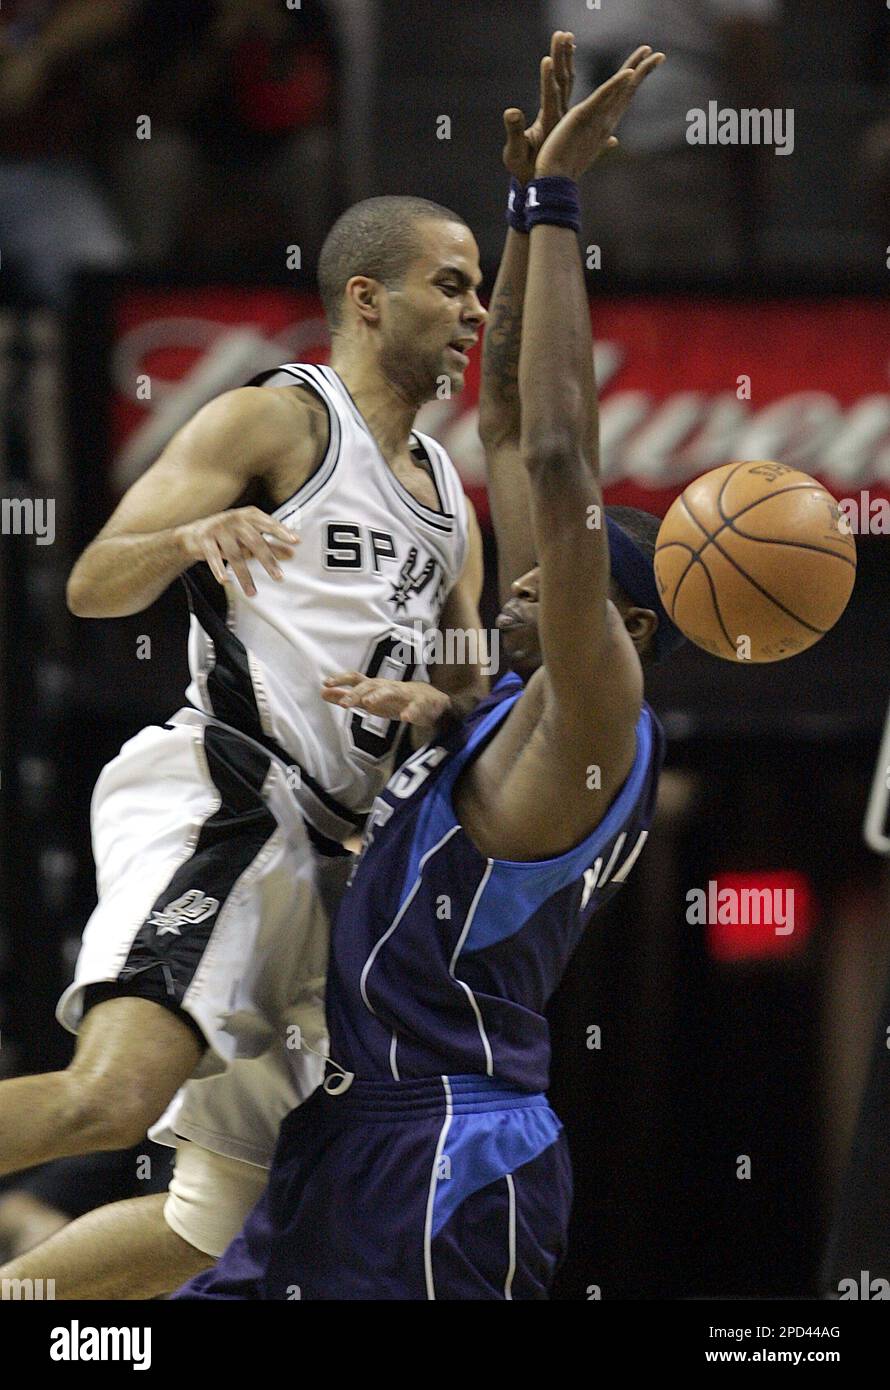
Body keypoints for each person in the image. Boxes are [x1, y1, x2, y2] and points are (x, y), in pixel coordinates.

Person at [174, 40, 680, 1301]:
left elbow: (558, 453)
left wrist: (561, 202)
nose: (519, 577)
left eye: (564, 578)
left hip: (452, 1143)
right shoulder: (500, 700)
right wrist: (516, 216)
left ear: (624, 629)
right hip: (347, 1126)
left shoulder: (594, 713)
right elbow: (506, 417)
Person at [0, 194, 487, 1298]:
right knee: (107, 1098)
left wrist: (439, 694)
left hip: (335, 863)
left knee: (213, 1219)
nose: (476, 310)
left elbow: (465, 667)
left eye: (480, 288)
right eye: (450, 284)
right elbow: (90, 583)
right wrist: (187, 535)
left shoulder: (450, 494)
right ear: (365, 299)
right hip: (230, 795)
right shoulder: (280, 418)